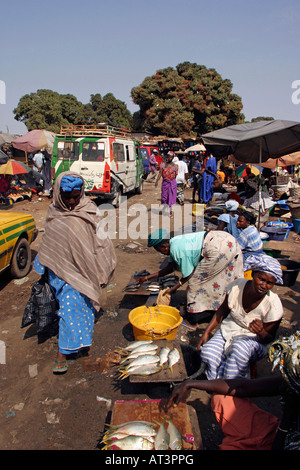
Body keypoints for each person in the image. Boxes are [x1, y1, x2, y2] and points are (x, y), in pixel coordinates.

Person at [33, 171, 117, 373]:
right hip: (60, 271)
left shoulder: (90, 210)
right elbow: (50, 242)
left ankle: (78, 342)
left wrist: (103, 266)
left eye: (75, 197)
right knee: (69, 308)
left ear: (82, 194)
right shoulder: (54, 212)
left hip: (85, 269)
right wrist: (43, 265)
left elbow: (101, 242)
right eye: (66, 197)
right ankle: (63, 351)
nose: (71, 201)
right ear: (58, 194)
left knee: (82, 305)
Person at [167, 330, 300, 450]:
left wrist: (289, 414)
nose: (284, 383)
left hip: (286, 440)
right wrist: (190, 384)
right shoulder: (291, 383)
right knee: (221, 397)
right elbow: (243, 387)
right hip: (278, 429)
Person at [198, 254, 283, 380]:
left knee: (238, 350)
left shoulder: (273, 304)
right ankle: (215, 381)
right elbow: (223, 310)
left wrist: (261, 332)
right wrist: (207, 332)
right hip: (230, 330)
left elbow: (269, 339)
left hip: (254, 340)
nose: (264, 286)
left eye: (269, 283)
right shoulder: (237, 286)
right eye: (261, 279)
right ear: (253, 274)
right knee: (208, 353)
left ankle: (231, 386)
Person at [137, 228, 244, 328]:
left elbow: (189, 275)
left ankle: (194, 320)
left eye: (160, 251)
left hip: (217, 248)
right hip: (225, 240)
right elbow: (170, 268)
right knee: (219, 279)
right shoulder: (174, 241)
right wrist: (146, 278)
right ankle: (222, 308)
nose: (161, 253)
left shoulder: (177, 249)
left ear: (164, 246)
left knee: (195, 283)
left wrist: (172, 289)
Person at [155, 151, 178, 218]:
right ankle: (163, 208)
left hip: (172, 183)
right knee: (164, 198)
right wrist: (157, 181)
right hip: (165, 183)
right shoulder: (163, 165)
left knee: (171, 198)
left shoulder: (175, 166)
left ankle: (171, 212)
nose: (169, 157)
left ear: (173, 157)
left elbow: (175, 175)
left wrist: (171, 181)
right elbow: (160, 173)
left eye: (171, 156)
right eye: (168, 156)